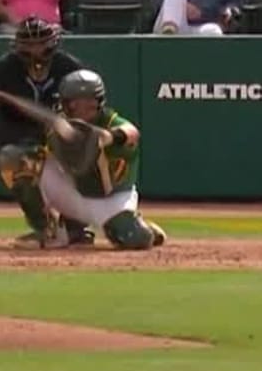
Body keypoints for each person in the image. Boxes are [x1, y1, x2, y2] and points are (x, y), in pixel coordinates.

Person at [0, 17, 88, 246]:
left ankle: (75, 227)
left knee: (76, 156)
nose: (35, 51)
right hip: (8, 121)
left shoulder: (69, 68)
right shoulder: (2, 68)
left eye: (40, 44)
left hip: (52, 124)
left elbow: (83, 110)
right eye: (29, 45)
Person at [23, 69, 164, 249]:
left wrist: (110, 137)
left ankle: (142, 226)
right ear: (65, 103)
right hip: (73, 191)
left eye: (89, 102)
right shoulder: (58, 126)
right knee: (18, 159)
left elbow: (132, 132)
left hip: (112, 200)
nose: (82, 109)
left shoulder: (109, 120)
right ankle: (49, 229)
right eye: (75, 103)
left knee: (135, 238)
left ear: (99, 102)